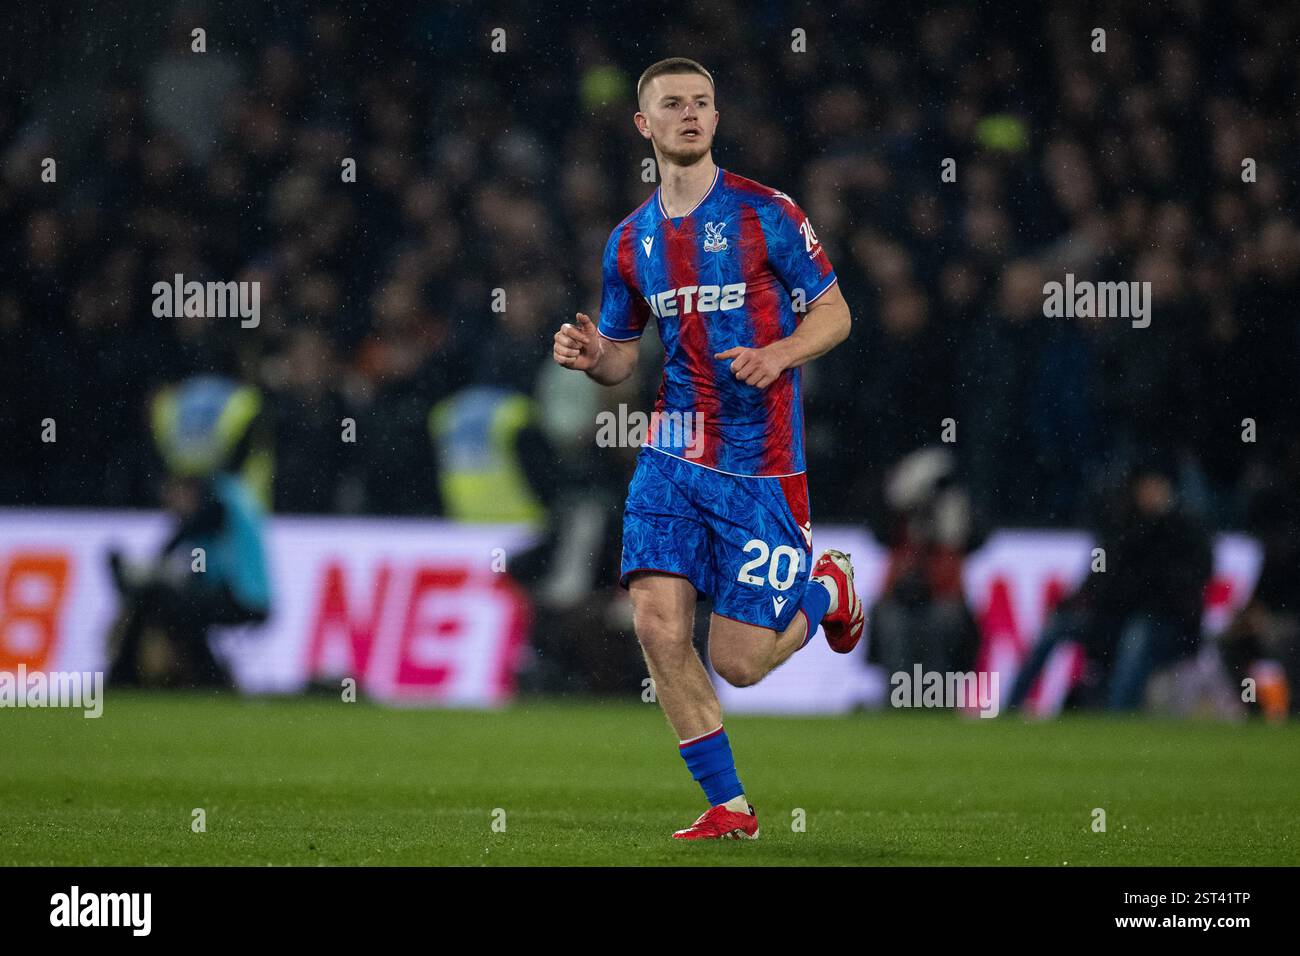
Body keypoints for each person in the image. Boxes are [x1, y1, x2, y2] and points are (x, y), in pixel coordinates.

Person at [551, 58, 858, 840]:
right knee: (656, 622)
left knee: (741, 664)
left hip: (761, 463)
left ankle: (828, 588)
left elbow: (834, 313)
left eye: (703, 103)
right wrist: (596, 360)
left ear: (717, 119)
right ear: (643, 126)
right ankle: (729, 806)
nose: (690, 114)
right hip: (672, 452)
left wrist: (783, 353)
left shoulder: (767, 212)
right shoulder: (629, 241)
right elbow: (623, 354)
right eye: (672, 105)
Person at [1008, 454, 1213, 712]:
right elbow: (1100, 575)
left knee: (1137, 635)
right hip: (1116, 618)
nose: (1149, 493)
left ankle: (1117, 712)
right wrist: (1072, 602)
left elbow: (1188, 583)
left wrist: (1153, 544)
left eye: (1155, 486)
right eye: (1144, 486)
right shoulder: (1123, 524)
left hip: (1168, 624)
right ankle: (1011, 706)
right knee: (1059, 627)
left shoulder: (1185, 529)